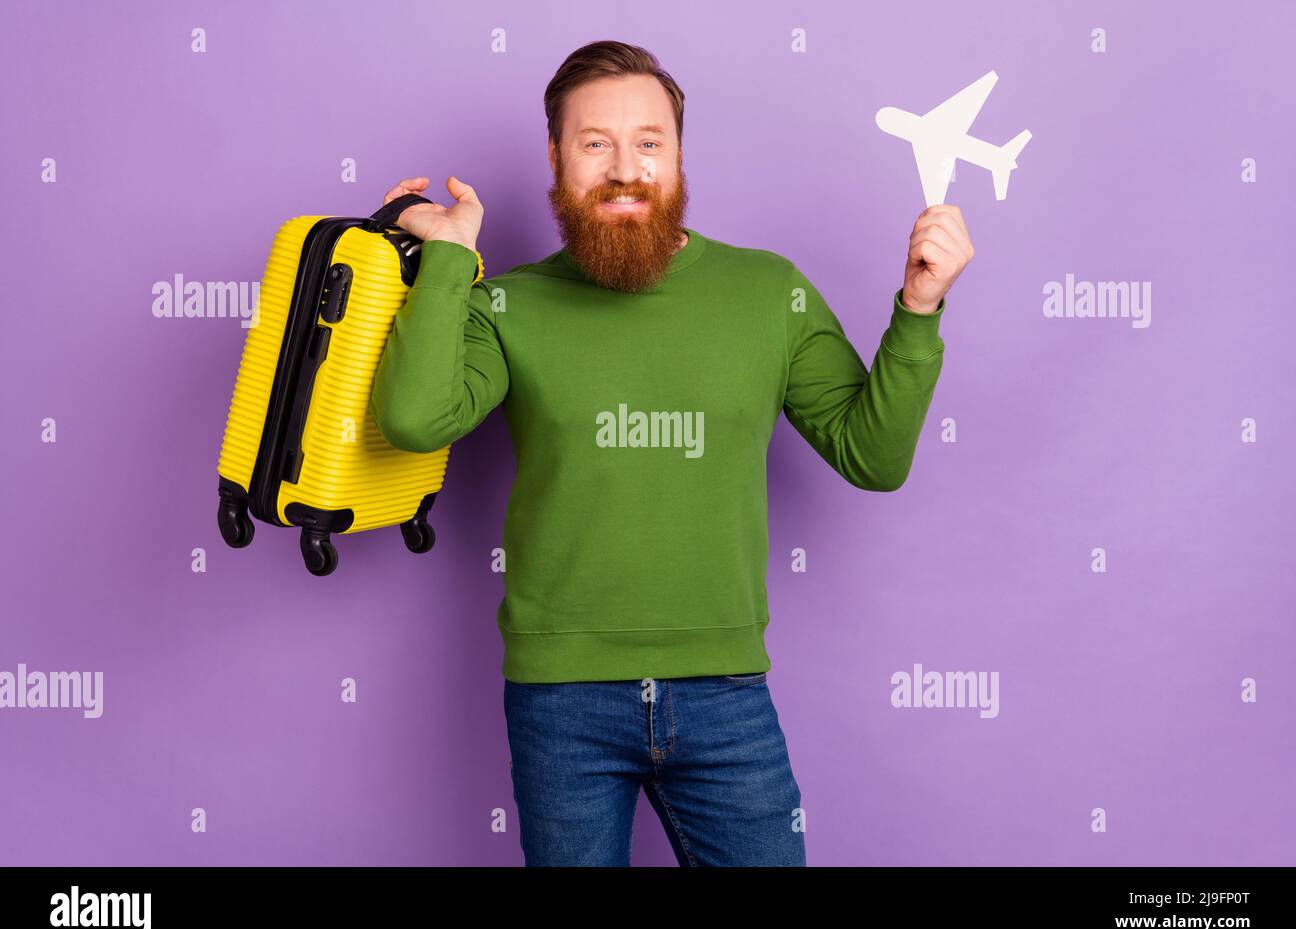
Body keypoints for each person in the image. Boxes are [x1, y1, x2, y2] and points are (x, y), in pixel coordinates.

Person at [369, 40, 973, 866]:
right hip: (560, 704)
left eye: (649, 142)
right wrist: (446, 252)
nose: (626, 168)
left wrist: (918, 306)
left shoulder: (770, 292)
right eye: (596, 143)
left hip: (726, 696)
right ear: (555, 156)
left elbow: (873, 456)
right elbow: (412, 418)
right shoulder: (506, 302)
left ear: (679, 155)